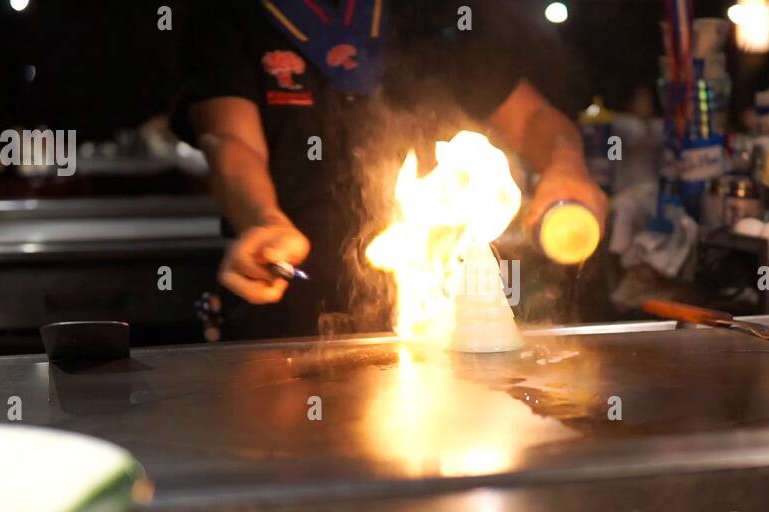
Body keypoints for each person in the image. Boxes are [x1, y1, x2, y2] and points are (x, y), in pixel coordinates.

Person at [174, 0, 607, 339]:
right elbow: (230, 142)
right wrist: (262, 220)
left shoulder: (434, 13)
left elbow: (532, 118)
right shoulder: (231, 15)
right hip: (291, 306)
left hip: (438, 312)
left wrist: (567, 166)